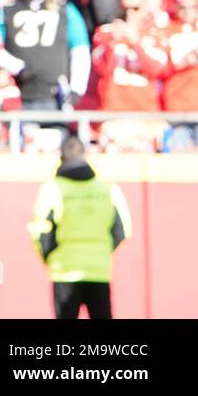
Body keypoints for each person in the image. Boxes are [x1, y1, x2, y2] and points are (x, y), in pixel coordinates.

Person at [30, 136, 131, 320]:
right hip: (99, 269)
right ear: (85, 155)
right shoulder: (107, 189)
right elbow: (122, 231)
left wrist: (50, 259)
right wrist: (100, 252)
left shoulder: (52, 189)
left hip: (64, 270)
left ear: (61, 157)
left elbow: (40, 232)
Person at [0, 0, 91, 116]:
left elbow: (80, 47)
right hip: (16, 94)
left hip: (55, 95)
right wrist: (17, 67)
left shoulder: (63, 8)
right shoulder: (5, 9)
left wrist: (77, 88)